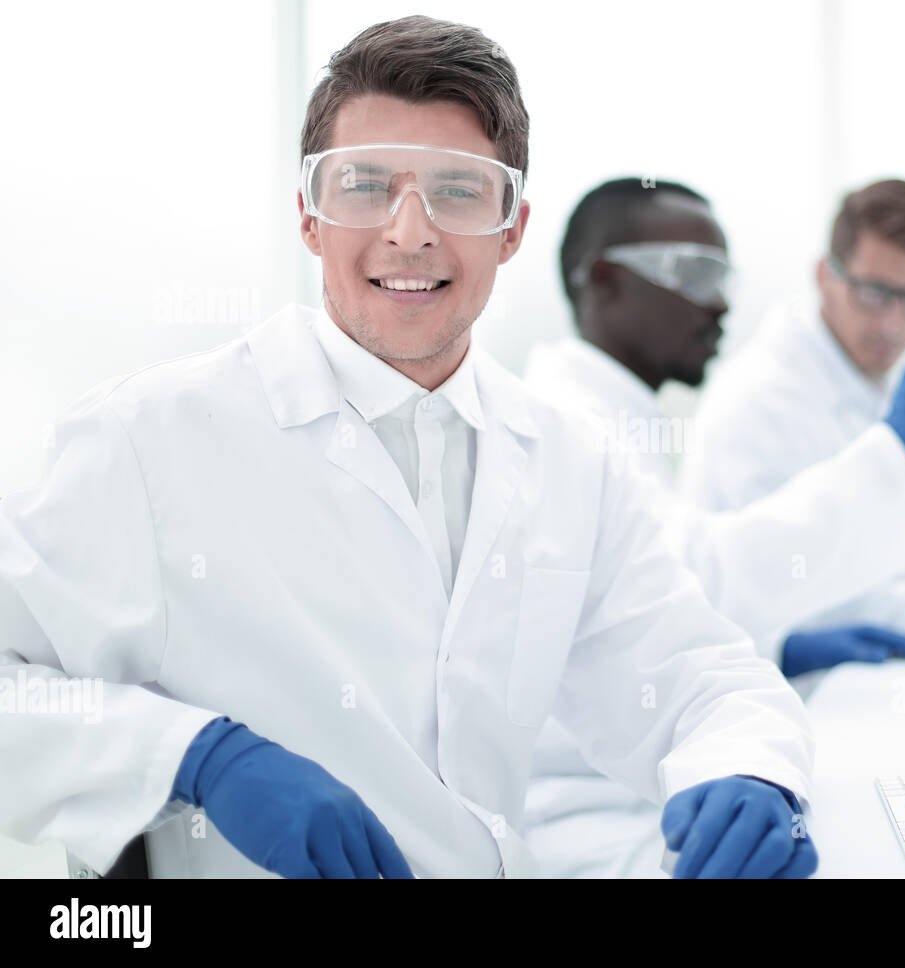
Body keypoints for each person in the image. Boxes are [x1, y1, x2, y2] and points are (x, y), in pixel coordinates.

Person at [0, 16, 817, 879]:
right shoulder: (148, 440)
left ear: (511, 229)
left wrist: (750, 769)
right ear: (310, 218)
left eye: (459, 190)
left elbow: (695, 667)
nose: (410, 231)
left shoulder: (568, 460)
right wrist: (197, 755)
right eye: (364, 186)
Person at [519, 178, 905, 875]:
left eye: (725, 276)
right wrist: (896, 451)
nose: (723, 301)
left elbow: (656, 608)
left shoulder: (616, 415)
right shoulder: (567, 430)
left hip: (645, 786)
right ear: (608, 281)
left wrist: (780, 644)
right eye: (696, 273)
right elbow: (702, 579)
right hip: (595, 819)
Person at [682, 177, 905, 640]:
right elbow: (769, 585)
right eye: (875, 294)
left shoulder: (871, 381)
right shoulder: (759, 399)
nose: (894, 324)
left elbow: (903, 550)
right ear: (825, 276)